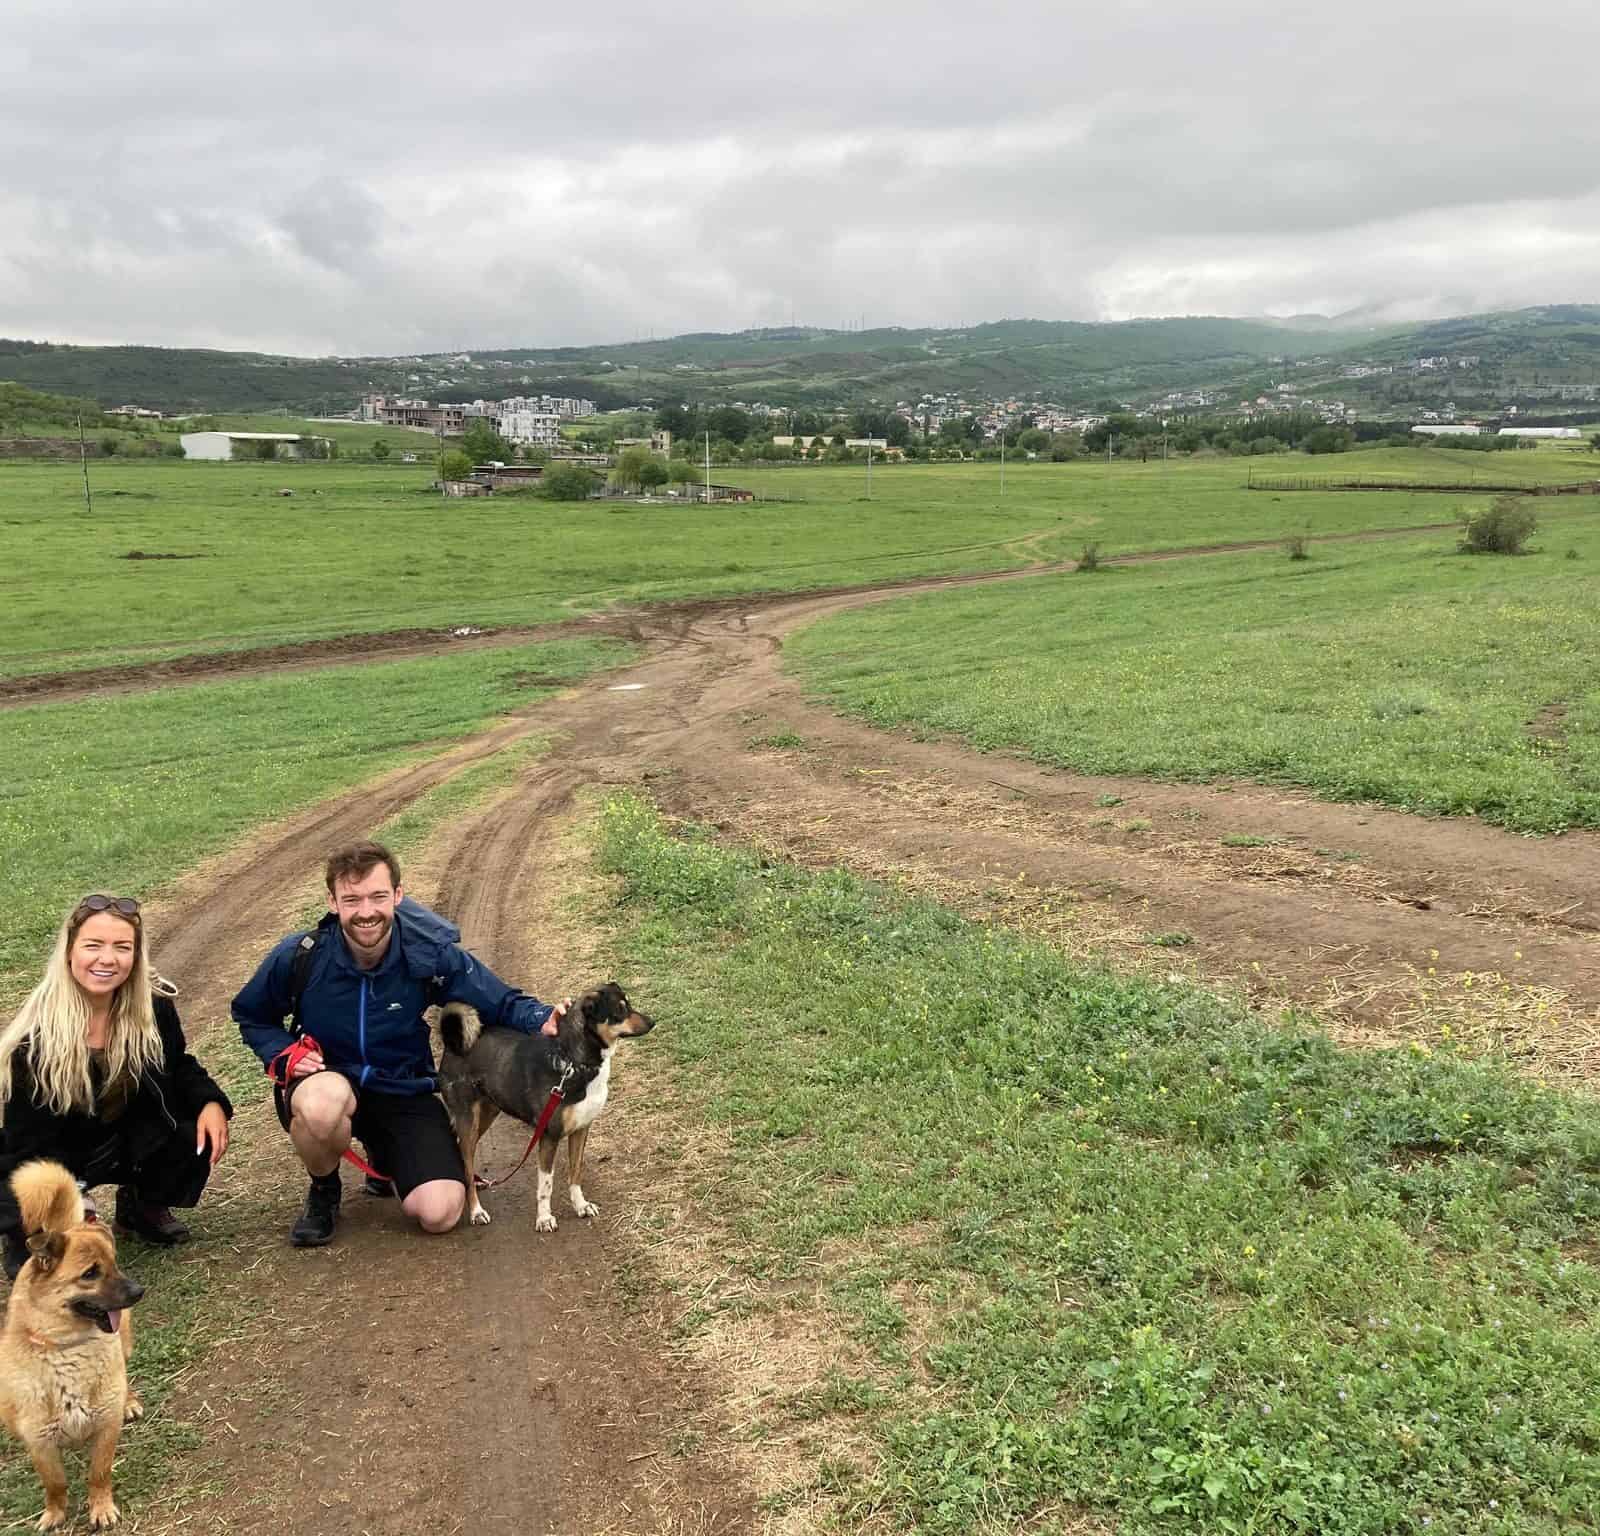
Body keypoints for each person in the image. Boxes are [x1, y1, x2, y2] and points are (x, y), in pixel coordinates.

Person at [232, 840, 564, 1249]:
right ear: (333, 902)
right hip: (328, 1081)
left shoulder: (426, 953)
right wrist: (283, 1054)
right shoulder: (301, 956)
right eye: (351, 899)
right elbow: (251, 1013)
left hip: (401, 1086)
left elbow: (496, 999)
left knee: (441, 1212)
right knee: (321, 1107)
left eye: (377, 896)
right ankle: (324, 1190)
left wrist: (542, 1018)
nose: (366, 912)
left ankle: (383, 1155)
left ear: (398, 896)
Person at [0, 894, 233, 1280]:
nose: (107, 959)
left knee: (193, 1136)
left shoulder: (153, 1009)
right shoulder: (33, 1039)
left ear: (136, 956)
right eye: (93, 945)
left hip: (120, 1138)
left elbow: (177, 1065)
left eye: (122, 947)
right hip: (51, 1153)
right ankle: (24, 1235)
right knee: (20, 1197)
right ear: (69, 952)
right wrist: (72, 1204)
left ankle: (141, 1205)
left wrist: (211, 1102)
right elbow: (28, 1146)